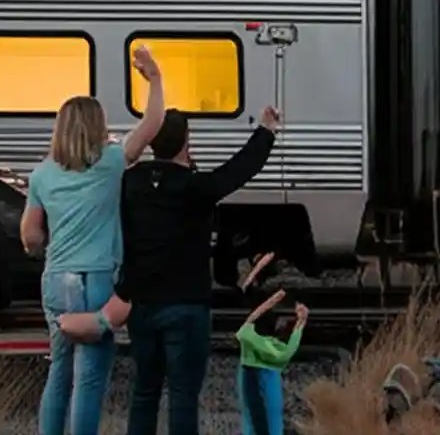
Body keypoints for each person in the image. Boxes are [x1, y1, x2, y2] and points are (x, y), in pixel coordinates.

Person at [20, 46, 167, 435]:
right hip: (98, 277)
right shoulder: (111, 162)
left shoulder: (40, 175)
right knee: (89, 378)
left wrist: (46, 242)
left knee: (59, 370)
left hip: (56, 279)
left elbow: (30, 236)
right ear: (97, 127)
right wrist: (154, 79)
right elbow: (152, 125)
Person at [117, 104, 281, 435]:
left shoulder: (130, 182)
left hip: (141, 305)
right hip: (186, 305)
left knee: (144, 392)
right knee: (183, 395)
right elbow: (239, 170)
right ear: (186, 142)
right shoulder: (195, 187)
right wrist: (266, 131)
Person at [236, 290, 308, 435]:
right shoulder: (280, 351)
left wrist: (270, 302)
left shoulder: (248, 341)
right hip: (270, 392)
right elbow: (291, 347)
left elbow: (247, 324)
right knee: (273, 424)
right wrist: (301, 322)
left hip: (249, 382)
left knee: (251, 422)